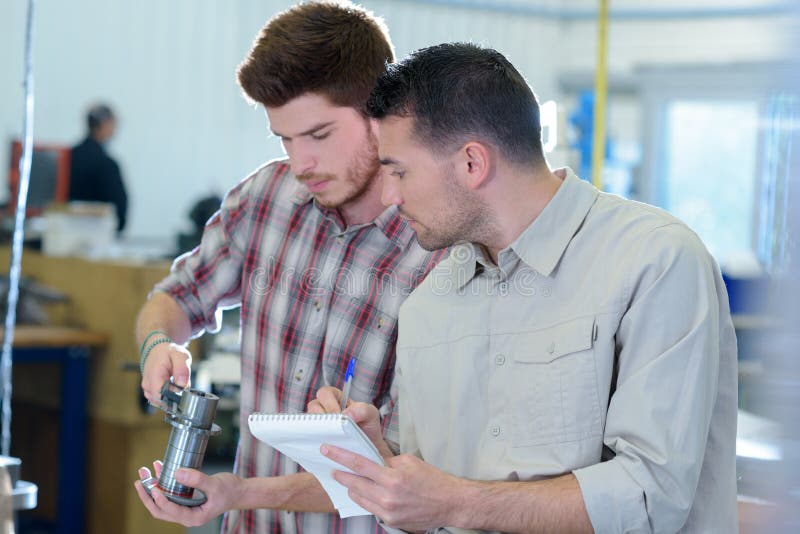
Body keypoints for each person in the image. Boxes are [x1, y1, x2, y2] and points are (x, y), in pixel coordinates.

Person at [310, 43, 738, 533]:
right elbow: (439, 498)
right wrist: (383, 465)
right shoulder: (430, 302)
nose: (388, 197)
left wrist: (454, 503)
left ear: (472, 163)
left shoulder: (655, 262)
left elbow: (650, 497)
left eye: (398, 171)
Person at [133, 2, 443, 532]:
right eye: (284, 138)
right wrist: (157, 345)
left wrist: (237, 492)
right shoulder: (265, 198)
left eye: (319, 136)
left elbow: (406, 465)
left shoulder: (437, 248)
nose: (301, 164)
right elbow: (175, 297)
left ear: (382, 113)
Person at [69, 103, 128, 232]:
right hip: (97, 238)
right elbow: (120, 212)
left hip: (61, 235)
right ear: (106, 123)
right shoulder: (108, 164)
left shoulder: (67, 157)